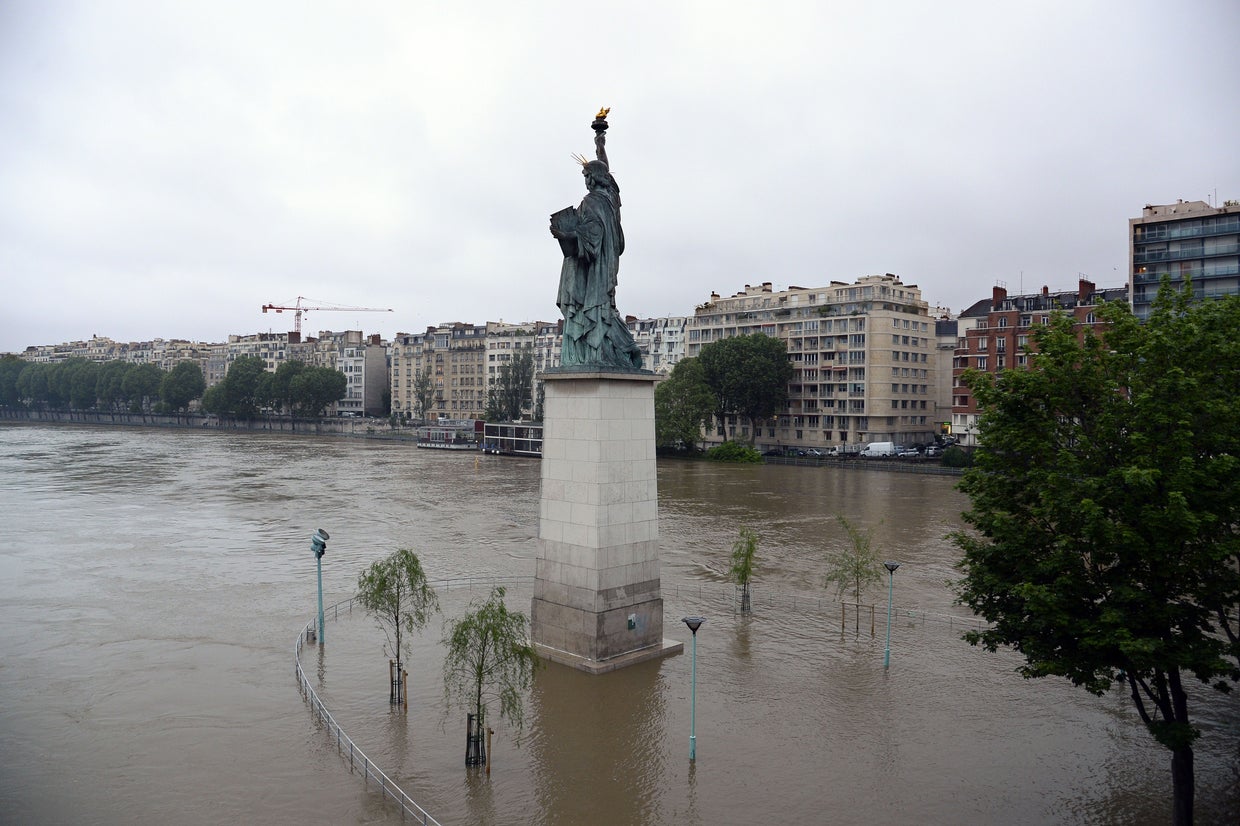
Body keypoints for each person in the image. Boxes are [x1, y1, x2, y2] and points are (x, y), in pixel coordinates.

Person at [550, 122, 643, 370]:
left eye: (588, 176)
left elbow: (591, 240)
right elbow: (608, 176)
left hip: (594, 270)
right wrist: (600, 145)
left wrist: (565, 234)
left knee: (592, 310)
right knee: (605, 308)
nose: (586, 181)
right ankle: (623, 350)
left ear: (594, 178)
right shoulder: (610, 199)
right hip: (607, 265)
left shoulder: (592, 202)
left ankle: (600, 353)